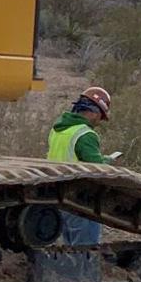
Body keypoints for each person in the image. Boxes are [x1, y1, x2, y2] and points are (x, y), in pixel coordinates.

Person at [47, 86, 116, 245]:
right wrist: (108, 161)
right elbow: (97, 168)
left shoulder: (58, 129)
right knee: (85, 249)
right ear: (93, 112)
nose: (99, 122)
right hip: (81, 199)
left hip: (57, 194)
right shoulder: (86, 134)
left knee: (68, 247)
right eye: (100, 116)